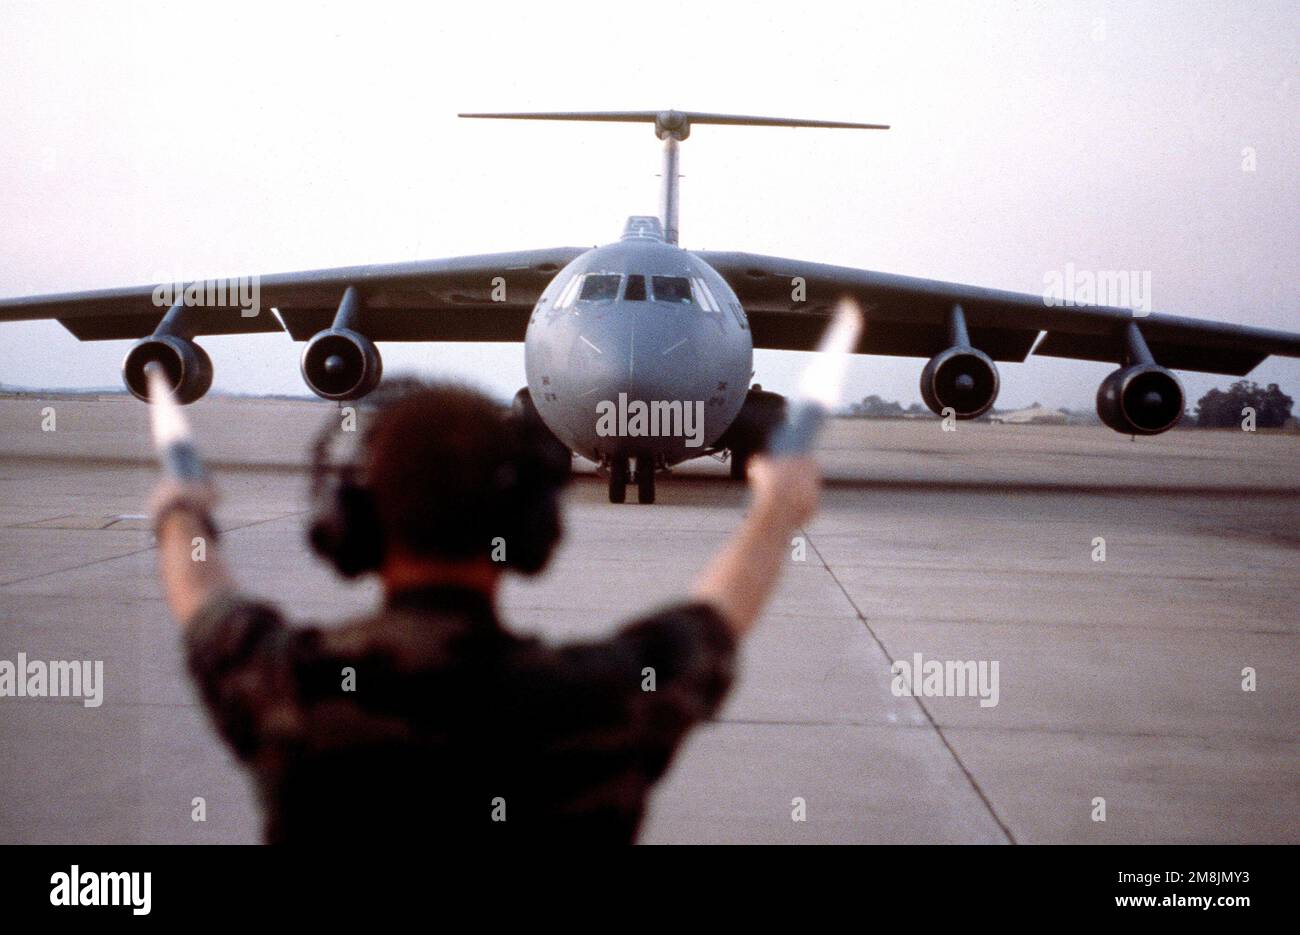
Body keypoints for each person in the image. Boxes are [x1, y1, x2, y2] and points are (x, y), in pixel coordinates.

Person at [152, 382, 819, 843]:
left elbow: (202, 596)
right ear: (527, 527)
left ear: (352, 526)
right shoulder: (602, 703)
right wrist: (776, 509)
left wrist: (182, 505)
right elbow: (716, 617)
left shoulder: (289, 690)